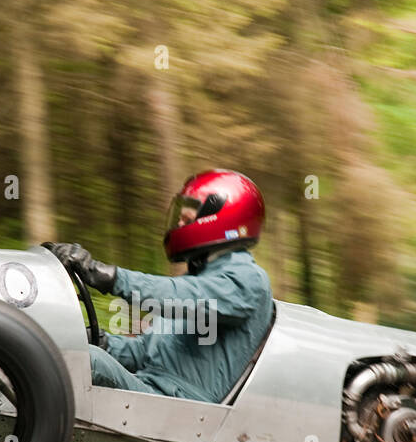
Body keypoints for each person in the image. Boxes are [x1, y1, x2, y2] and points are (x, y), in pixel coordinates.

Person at [47, 169, 273, 403]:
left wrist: (108, 276)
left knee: (81, 360)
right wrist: (100, 340)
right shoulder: (196, 280)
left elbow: (186, 298)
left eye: (186, 219)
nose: (178, 224)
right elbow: (144, 352)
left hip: (182, 405)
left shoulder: (248, 281)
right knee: (68, 345)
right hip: (153, 389)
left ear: (219, 220)